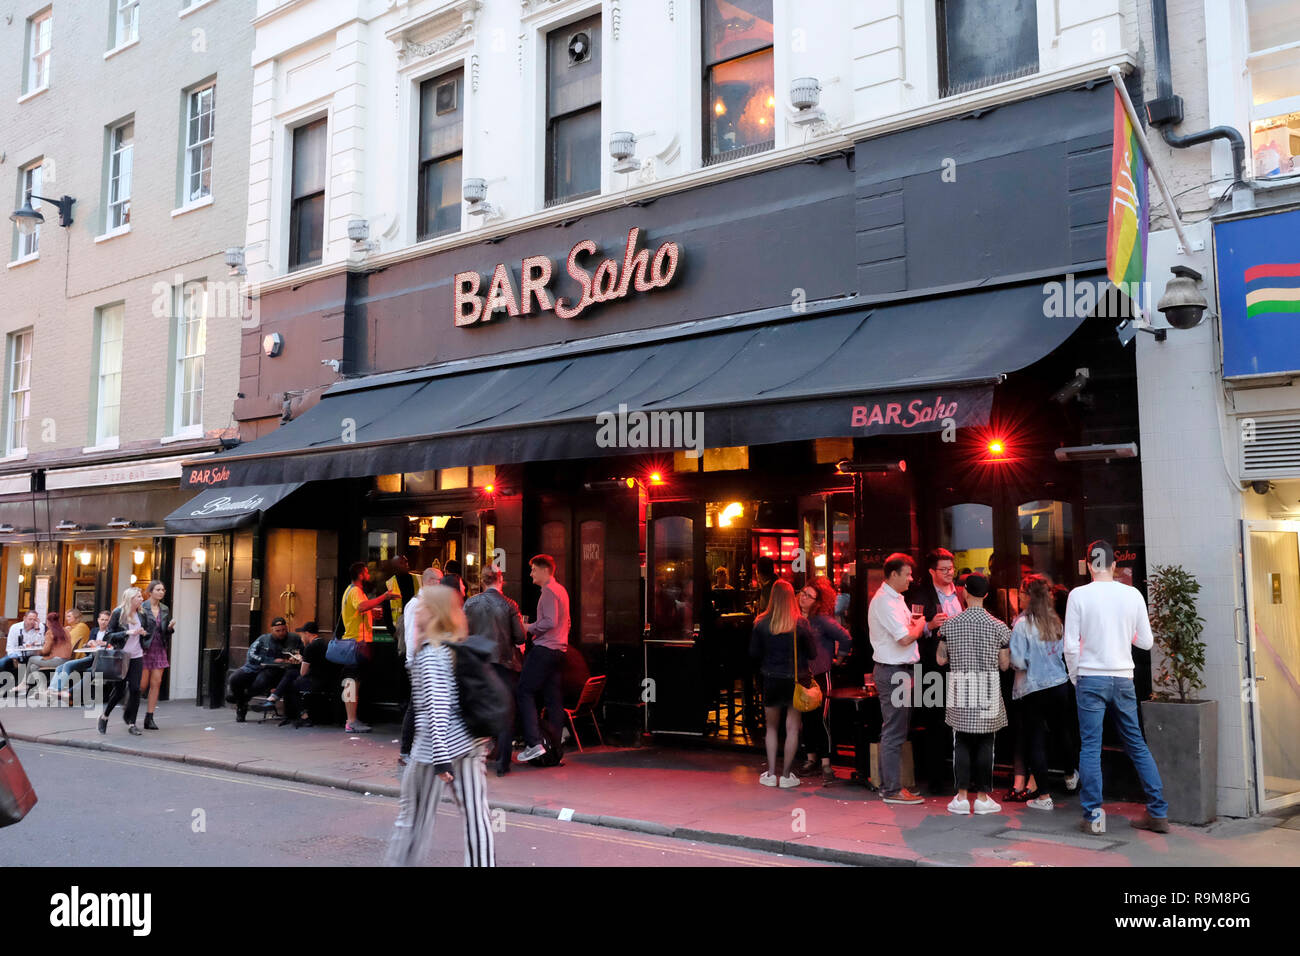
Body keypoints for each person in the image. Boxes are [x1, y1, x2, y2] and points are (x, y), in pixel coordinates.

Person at [385, 584, 495, 867]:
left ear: (432, 612)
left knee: (412, 819)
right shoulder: (453, 646)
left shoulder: (432, 654)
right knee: (476, 816)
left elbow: (437, 707)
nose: (417, 609)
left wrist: (441, 759)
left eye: (422, 605)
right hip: (469, 744)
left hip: (433, 752)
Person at [1065, 539, 1168, 835]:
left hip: (1090, 678)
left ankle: (1094, 817)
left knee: (1091, 747)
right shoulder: (1132, 594)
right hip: (1123, 677)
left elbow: (1070, 645)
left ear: (1088, 566)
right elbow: (1146, 642)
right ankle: (1158, 812)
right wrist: (1124, 634)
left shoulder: (1078, 596)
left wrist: (1076, 677)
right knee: (1136, 743)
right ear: (1114, 566)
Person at [935, 574, 1010, 814]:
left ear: (965, 593)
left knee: (962, 743)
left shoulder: (950, 624)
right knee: (987, 743)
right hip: (987, 688)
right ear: (986, 595)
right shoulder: (999, 627)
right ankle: (983, 798)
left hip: (961, 688)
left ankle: (961, 797)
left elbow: (940, 659)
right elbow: (1005, 665)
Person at [1009, 574, 1079, 811]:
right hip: (1059, 684)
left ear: (1028, 596)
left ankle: (1044, 797)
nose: (1018, 596)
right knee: (1062, 732)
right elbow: (1061, 652)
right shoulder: (1054, 620)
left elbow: (1018, 661)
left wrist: (1014, 661)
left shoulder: (1021, 625)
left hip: (1034, 688)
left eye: (1021, 592)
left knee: (1035, 740)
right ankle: (1070, 776)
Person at [868, 553, 927, 804]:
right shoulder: (884, 601)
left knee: (898, 728)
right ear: (893, 575)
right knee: (894, 730)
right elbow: (904, 638)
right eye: (908, 574)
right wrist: (920, 625)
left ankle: (894, 786)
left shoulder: (895, 599)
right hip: (894, 671)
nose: (911, 579)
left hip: (900, 670)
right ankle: (891, 789)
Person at [907, 547, 965, 794]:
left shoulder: (962, 594)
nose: (950, 573)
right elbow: (910, 630)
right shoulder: (920, 595)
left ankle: (963, 775)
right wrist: (930, 625)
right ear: (932, 571)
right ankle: (935, 778)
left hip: (960, 665)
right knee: (935, 724)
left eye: (951, 568)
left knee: (962, 720)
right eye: (944, 569)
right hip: (931, 666)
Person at [750, 580, 815, 788]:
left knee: (771, 727)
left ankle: (770, 773)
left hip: (771, 678)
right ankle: (786, 775)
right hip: (795, 680)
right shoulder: (800, 623)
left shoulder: (761, 622)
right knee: (793, 728)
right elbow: (812, 653)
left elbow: (753, 653)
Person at [464, 563, 525, 776]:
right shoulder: (509, 604)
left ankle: (473, 762)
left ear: (482, 581)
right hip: (503, 665)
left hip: (478, 666)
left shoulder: (470, 604)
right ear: (500, 580)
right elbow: (520, 637)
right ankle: (502, 764)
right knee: (505, 714)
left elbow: (462, 633)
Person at [796, 576, 851, 783]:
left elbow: (845, 637)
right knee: (806, 719)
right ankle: (811, 759)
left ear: (818, 601)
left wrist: (838, 659)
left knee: (821, 718)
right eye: (803, 593)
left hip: (820, 674)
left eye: (809, 596)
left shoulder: (822, 621)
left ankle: (826, 763)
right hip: (802, 675)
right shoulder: (796, 617)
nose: (804, 598)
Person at [516, 554, 569, 764]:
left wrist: (529, 628)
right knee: (553, 699)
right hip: (559, 650)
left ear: (544, 570)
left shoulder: (548, 590)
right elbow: (565, 621)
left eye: (533, 570)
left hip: (545, 649)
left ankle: (534, 743)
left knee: (524, 691)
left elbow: (549, 621)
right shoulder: (561, 591)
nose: (531, 574)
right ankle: (555, 749)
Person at [339, 561, 399, 734]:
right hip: (355, 642)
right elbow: (361, 606)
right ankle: (350, 721)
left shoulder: (353, 591)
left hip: (357, 642)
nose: (369, 575)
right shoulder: (356, 591)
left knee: (354, 681)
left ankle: (352, 719)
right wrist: (383, 598)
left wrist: (373, 612)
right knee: (351, 683)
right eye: (366, 572)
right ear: (360, 574)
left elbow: (359, 610)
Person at [100, 587, 149, 736]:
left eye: (141, 597)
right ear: (131, 598)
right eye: (139, 597)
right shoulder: (118, 613)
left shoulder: (142, 614)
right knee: (119, 690)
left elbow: (145, 632)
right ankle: (104, 716)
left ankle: (132, 723)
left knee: (135, 689)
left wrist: (143, 633)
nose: (141, 599)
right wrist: (126, 632)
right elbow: (108, 636)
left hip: (137, 655)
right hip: (121, 656)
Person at [229, 617, 297, 722]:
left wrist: (290, 659)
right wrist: (271, 660)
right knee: (234, 678)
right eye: (278, 631)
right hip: (253, 667)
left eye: (283, 630)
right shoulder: (263, 639)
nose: (281, 633)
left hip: (273, 671)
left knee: (261, 682)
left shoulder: (293, 639)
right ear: (272, 630)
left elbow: (298, 654)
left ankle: (242, 701)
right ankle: (241, 701)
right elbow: (251, 654)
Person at [138, 580, 175, 730]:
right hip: (145, 648)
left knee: (156, 683)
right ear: (151, 591)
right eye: (158, 589)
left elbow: (165, 631)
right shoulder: (142, 607)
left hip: (159, 647)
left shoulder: (165, 609)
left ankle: (149, 717)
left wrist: (170, 628)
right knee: (142, 685)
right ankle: (131, 711)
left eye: (163, 590)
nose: (161, 592)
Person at [282, 622, 329, 727]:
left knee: (290, 685)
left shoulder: (310, 647)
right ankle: (273, 698)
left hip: (315, 682)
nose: (301, 637)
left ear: (307, 634)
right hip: (328, 679)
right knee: (291, 676)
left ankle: (303, 716)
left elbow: (303, 672)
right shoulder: (325, 643)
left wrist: (301, 659)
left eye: (302, 635)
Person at [50, 609, 100, 699]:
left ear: (76, 617)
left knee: (33, 660)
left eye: (69, 616)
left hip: (76, 657)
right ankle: (52, 690)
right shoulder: (72, 628)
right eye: (66, 616)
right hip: (68, 656)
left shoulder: (81, 626)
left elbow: (66, 644)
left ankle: (55, 690)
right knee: (57, 667)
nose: (66, 618)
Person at [385, 555, 422, 654]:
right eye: (402, 562)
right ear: (395, 566)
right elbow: (387, 611)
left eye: (406, 562)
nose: (406, 564)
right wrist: (393, 632)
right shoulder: (390, 584)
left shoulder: (419, 579)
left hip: (417, 628)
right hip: (399, 631)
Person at [27, 613, 73, 689]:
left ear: (48, 622)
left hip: (57, 660)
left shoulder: (50, 632)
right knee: (33, 666)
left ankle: (25, 683)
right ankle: (42, 689)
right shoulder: (65, 631)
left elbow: (46, 651)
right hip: (66, 660)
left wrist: (38, 652)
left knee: (31, 658)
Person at [1, 610, 44, 677]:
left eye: (34, 620)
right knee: (2, 663)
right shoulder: (15, 627)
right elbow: (10, 646)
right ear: (24, 618)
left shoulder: (39, 627)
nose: (32, 622)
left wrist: (37, 630)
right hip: (16, 654)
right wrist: (14, 659)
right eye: (30, 619)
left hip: (32, 655)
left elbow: (38, 644)